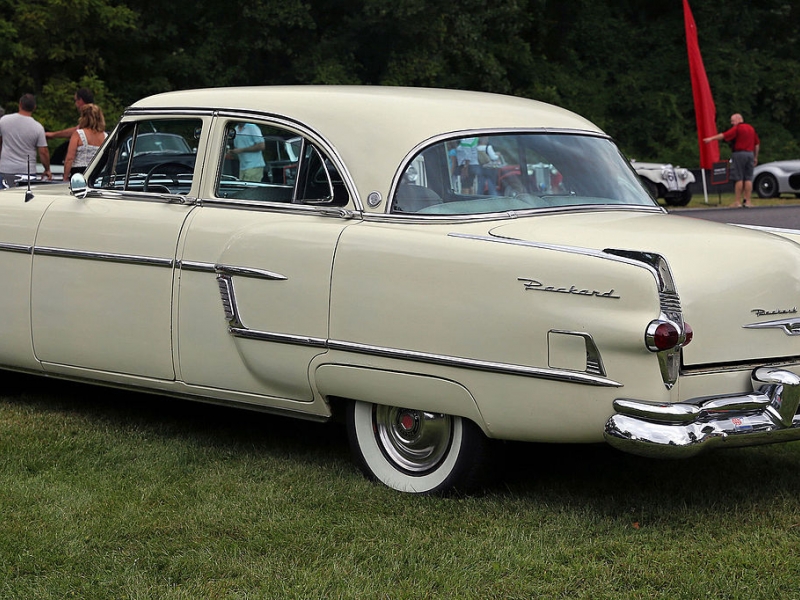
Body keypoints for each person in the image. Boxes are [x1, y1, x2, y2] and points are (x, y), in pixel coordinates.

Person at [703, 113, 760, 207]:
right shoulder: (751, 128)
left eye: (733, 121)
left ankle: (737, 202)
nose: (732, 123)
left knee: (739, 178)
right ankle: (748, 201)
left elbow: (724, 135)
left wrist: (711, 139)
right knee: (748, 178)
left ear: (738, 119)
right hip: (750, 154)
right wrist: (755, 157)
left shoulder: (738, 128)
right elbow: (757, 144)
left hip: (739, 154)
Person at [0, 93, 51, 187]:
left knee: (3, 199)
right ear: (34, 107)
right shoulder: (37, 127)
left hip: (5, 169)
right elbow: (43, 152)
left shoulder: (4, 120)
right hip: (27, 172)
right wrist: (47, 169)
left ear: (20, 104)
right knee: (25, 200)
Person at [63, 103, 107, 180]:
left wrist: (65, 177)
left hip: (79, 172)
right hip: (98, 173)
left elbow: (69, 159)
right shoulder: (105, 136)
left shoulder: (78, 134)